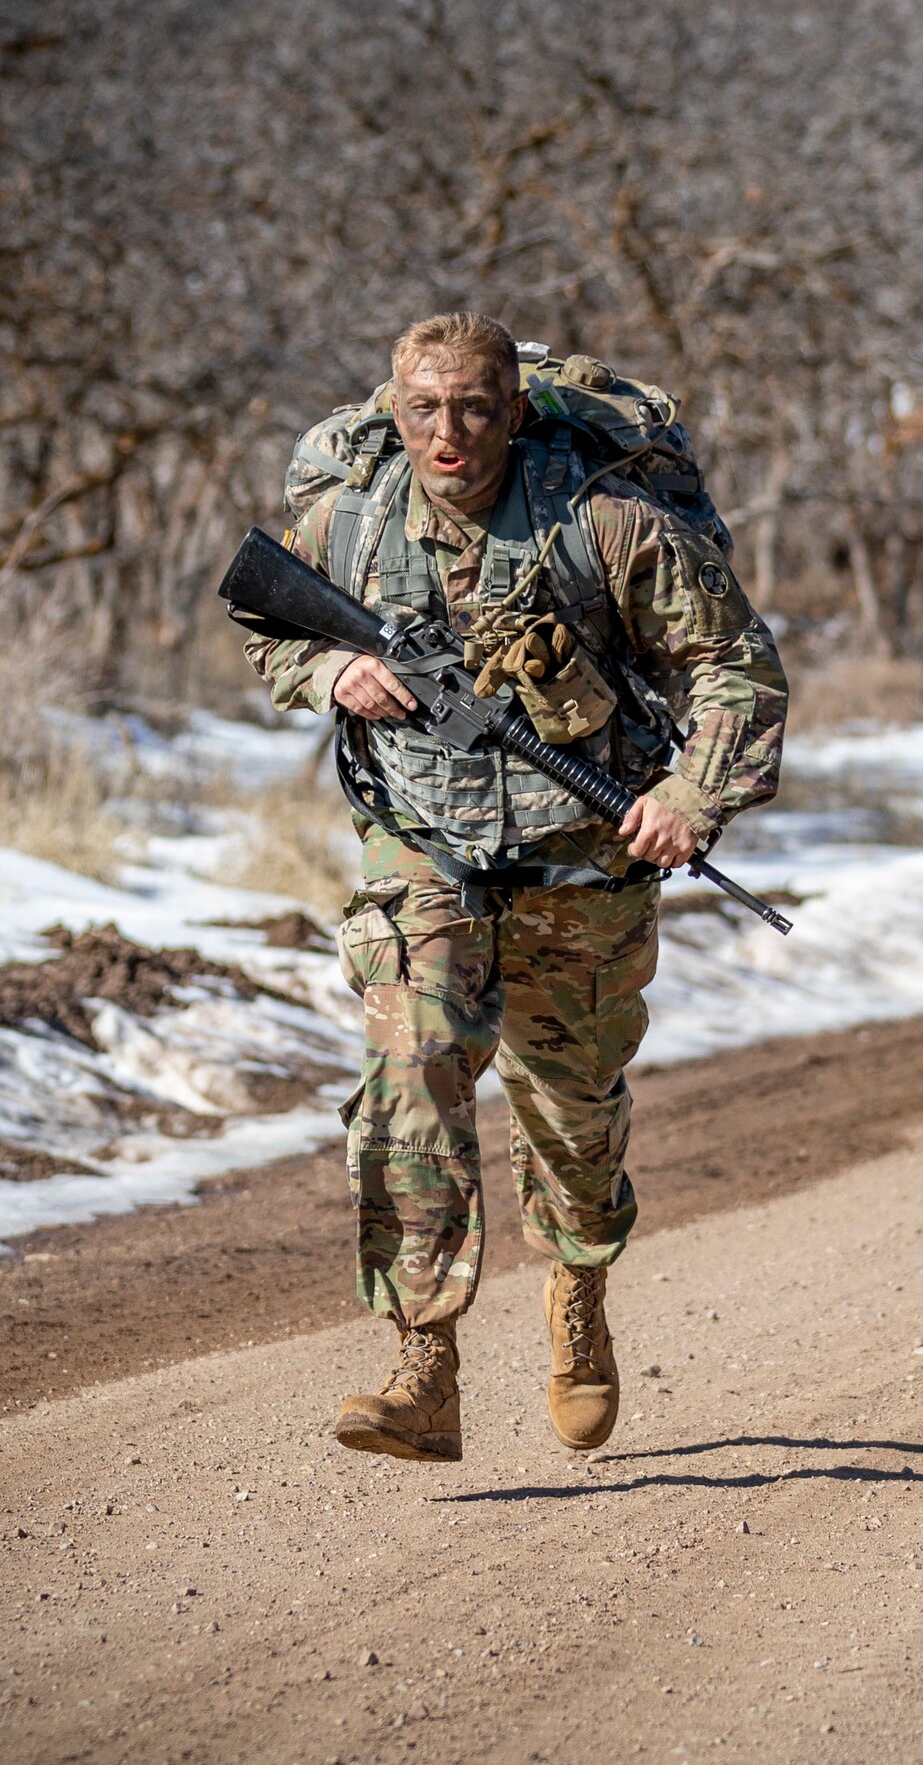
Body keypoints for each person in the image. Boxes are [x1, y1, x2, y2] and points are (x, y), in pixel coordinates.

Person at [241, 312, 787, 1463]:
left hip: (582, 863)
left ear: (515, 408)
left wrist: (689, 797)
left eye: (474, 407)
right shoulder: (348, 517)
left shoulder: (604, 522)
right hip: (422, 849)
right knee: (412, 1071)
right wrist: (333, 666)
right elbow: (268, 624)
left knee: (571, 1120)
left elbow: (736, 668)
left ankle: (576, 1282)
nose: (447, 433)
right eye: (423, 408)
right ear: (395, 409)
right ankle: (421, 1364)